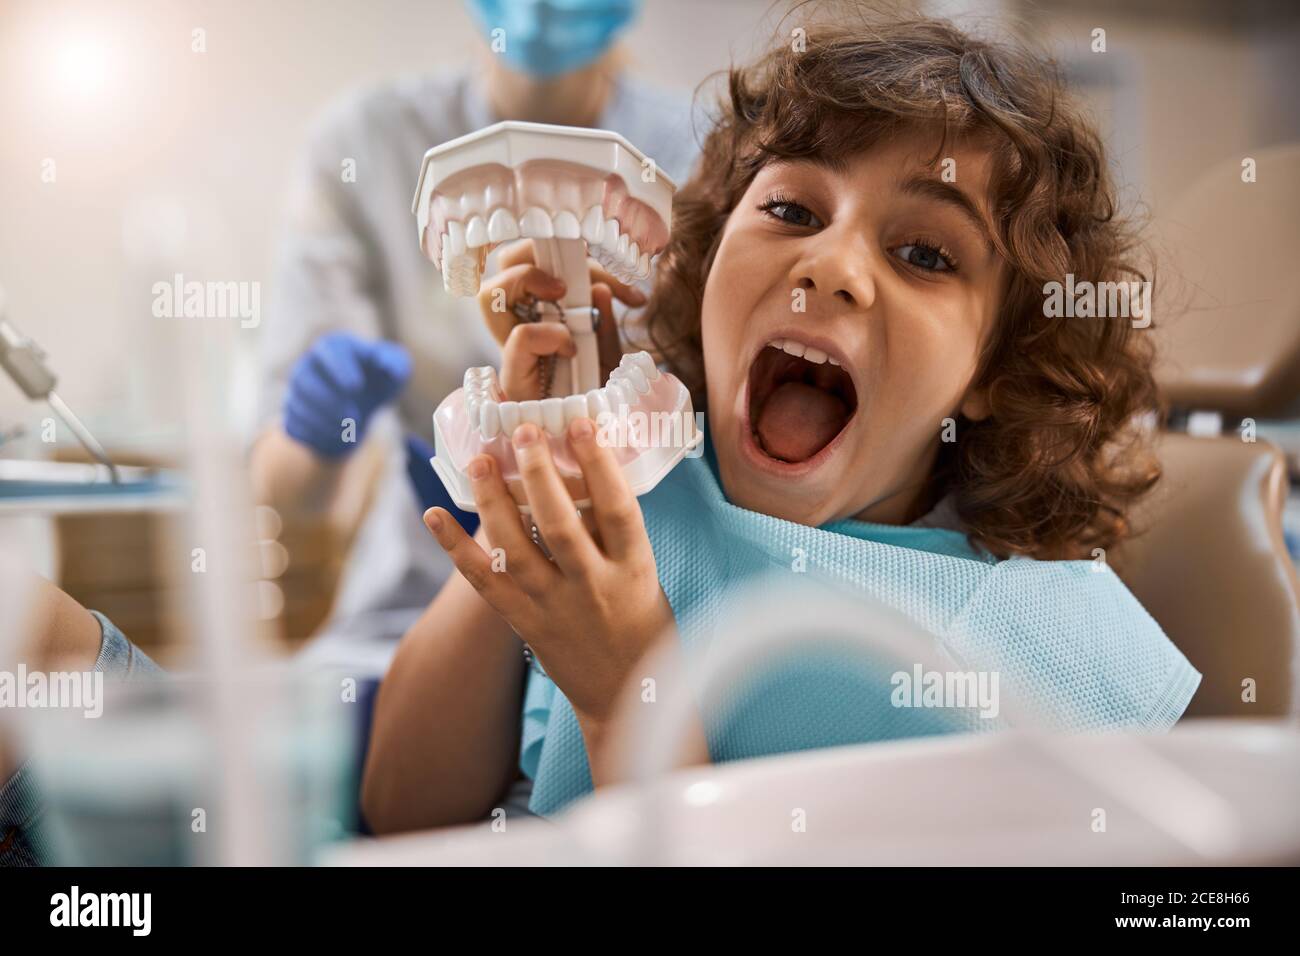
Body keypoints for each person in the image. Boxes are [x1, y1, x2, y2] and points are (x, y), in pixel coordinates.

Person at [360, 10, 1202, 832]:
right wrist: (539, 474)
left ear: (994, 369)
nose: (830, 266)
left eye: (925, 255)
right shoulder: (640, 489)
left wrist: (626, 695)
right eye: (793, 211)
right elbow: (403, 807)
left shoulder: (1023, 641)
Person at [249, 0, 699, 676]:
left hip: (662, 620)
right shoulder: (365, 141)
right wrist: (317, 430)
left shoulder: (707, 147)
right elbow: (284, 494)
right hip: (407, 622)